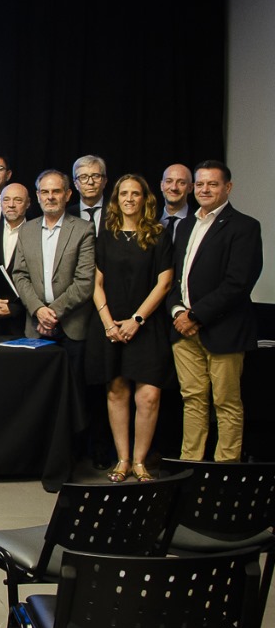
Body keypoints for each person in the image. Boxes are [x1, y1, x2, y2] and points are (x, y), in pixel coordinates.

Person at [167, 160, 263, 463]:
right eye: (199, 184)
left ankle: (226, 473)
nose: (204, 189)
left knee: (226, 403)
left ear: (228, 188)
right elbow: (176, 277)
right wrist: (177, 312)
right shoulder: (185, 225)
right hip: (183, 331)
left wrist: (195, 316)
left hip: (224, 330)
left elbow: (238, 283)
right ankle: (190, 468)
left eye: (212, 184)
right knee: (193, 401)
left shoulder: (245, 226)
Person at [87, 174, 174, 483]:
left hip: (146, 325)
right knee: (117, 391)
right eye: (123, 193)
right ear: (116, 199)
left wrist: (137, 320)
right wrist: (108, 321)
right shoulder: (105, 235)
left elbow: (164, 283)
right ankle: (122, 460)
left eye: (135, 193)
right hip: (110, 325)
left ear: (144, 199)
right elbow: (95, 282)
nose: (129, 198)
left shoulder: (159, 235)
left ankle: (140, 462)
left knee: (148, 395)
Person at [11, 169, 96, 389]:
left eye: (56, 191)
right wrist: (39, 310)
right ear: (37, 196)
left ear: (68, 195)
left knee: (74, 394)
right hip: (35, 327)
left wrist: (53, 312)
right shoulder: (26, 230)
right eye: (44, 191)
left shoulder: (84, 230)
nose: (50, 196)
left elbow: (85, 282)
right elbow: (19, 275)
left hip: (72, 327)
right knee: (36, 394)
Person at [0, 182, 30, 335]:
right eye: (6, 200)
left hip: (24, 322)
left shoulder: (36, 233)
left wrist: (16, 309)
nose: (11, 205)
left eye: (18, 200)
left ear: (28, 203)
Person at [68, 154, 108, 229]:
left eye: (96, 176)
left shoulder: (116, 212)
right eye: (83, 177)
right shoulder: (67, 215)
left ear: (105, 181)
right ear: (75, 184)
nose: (90, 182)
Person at [159, 163, 192, 243]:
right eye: (169, 181)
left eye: (181, 183)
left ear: (190, 188)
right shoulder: (150, 221)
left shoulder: (199, 222)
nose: (174, 187)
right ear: (161, 186)